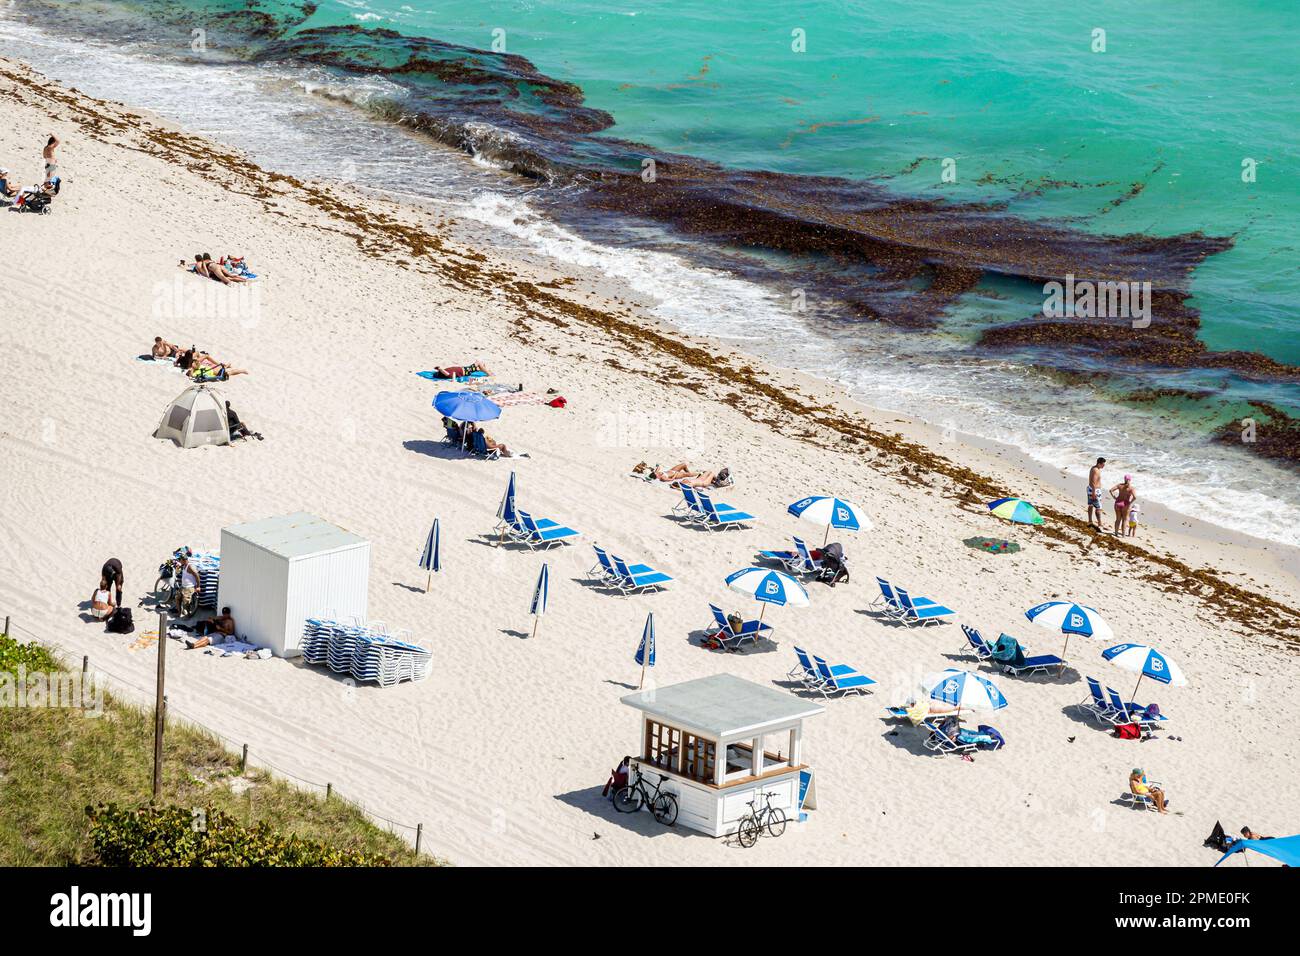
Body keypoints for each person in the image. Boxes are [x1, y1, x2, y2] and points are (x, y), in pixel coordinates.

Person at [1087, 457, 1107, 530]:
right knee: (1098, 508)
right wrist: (1094, 492)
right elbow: (1093, 482)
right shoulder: (1096, 470)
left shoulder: (1094, 468)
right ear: (1099, 463)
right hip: (1094, 490)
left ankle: (1090, 521)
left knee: (1091, 505)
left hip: (1091, 489)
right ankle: (1100, 524)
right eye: (1103, 464)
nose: (1103, 466)